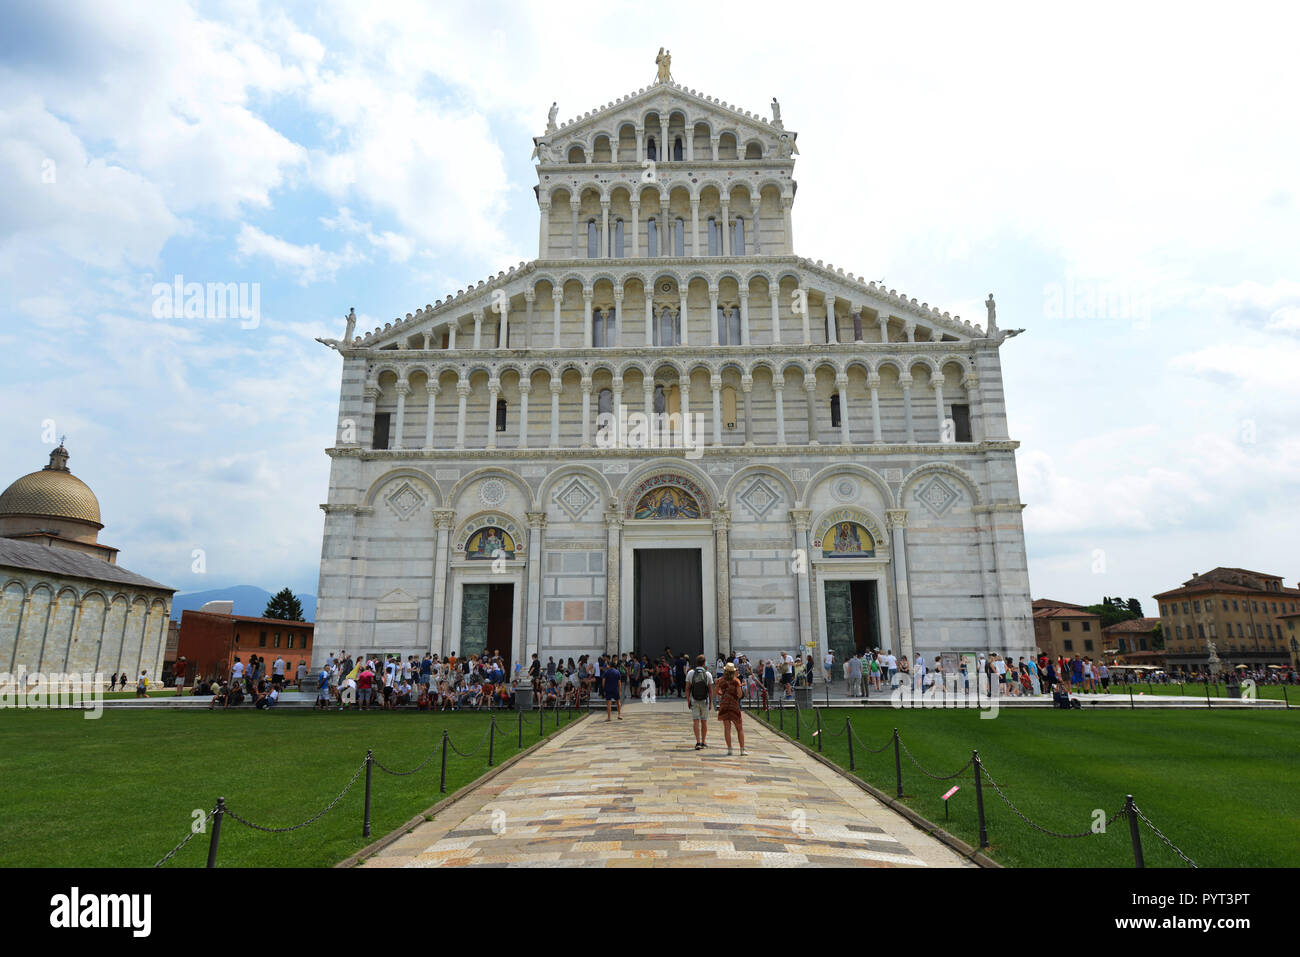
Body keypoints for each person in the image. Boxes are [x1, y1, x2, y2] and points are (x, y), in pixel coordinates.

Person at [714, 662, 746, 756]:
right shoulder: (736, 681)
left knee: (727, 728)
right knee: (739, 728)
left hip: (724, 705)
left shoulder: (721, 680)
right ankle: (742, 750)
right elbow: (739, 695)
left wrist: (722, 695)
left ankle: (729, 749)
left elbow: (716, 691)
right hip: (734, 705)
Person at [685, 654, 713, 750]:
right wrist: (711, 702)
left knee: (696, 721)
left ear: (696, 662)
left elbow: (687, 689)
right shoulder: (708, 674)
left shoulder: (690, 673)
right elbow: (710, 690)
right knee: (704, 721)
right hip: (705, 701)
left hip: (694, 700)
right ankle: (703, 742)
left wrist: (688, 700)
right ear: (704, 663)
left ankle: (697, 742)